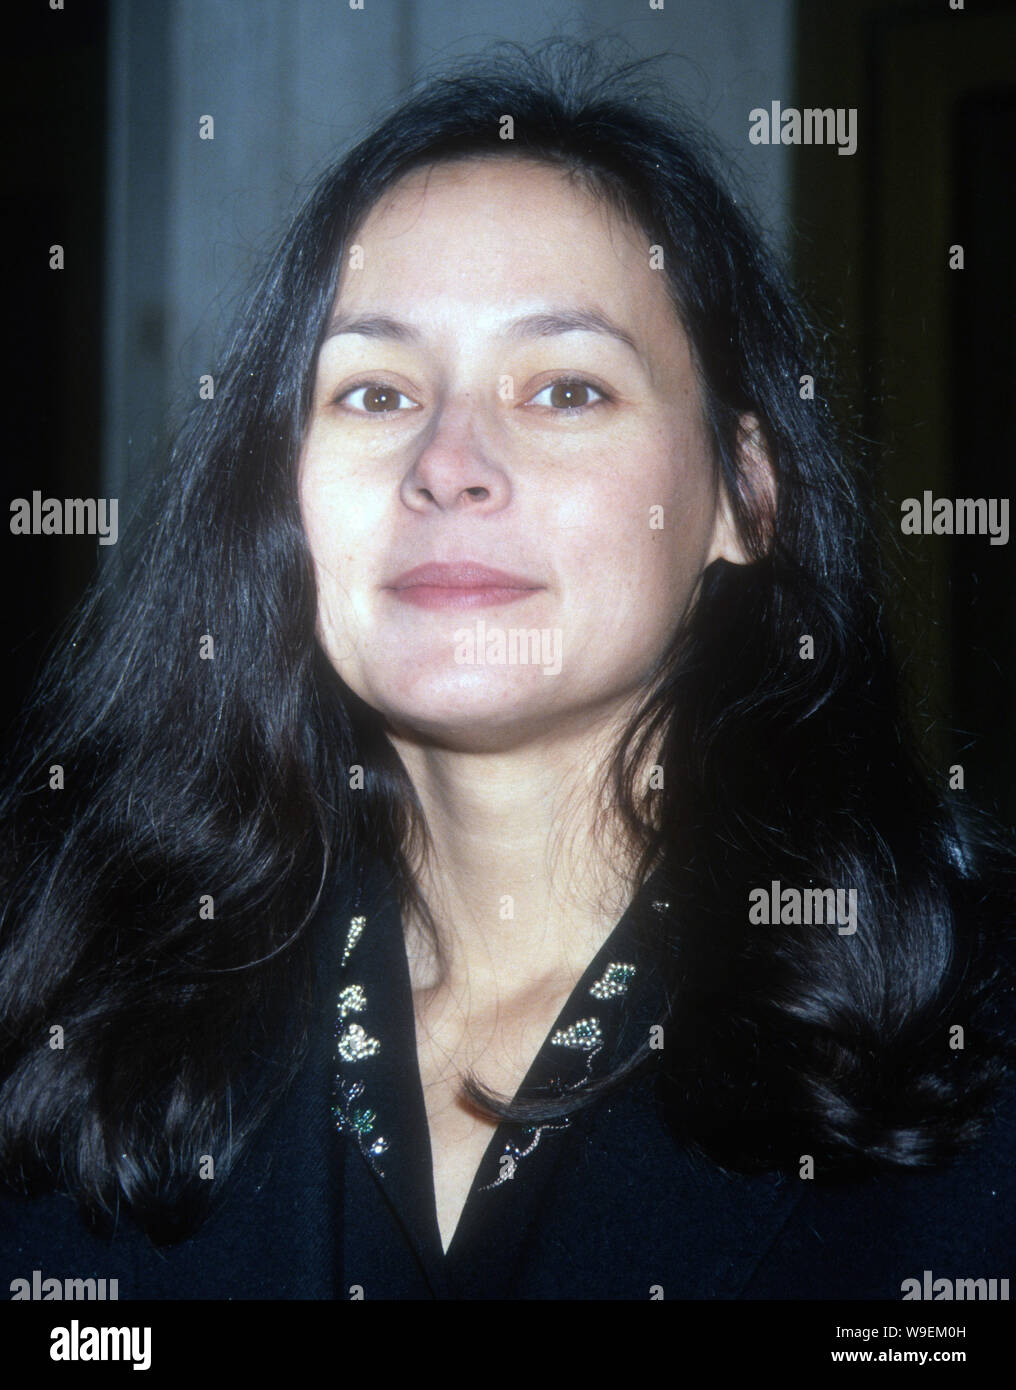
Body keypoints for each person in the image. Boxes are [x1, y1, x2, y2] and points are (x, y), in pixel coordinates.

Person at [1, 39, 1013, 1301]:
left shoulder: (969, 1018)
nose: (449, 460)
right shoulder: (86, 1015)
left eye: (565, 388)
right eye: (372, 394)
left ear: (743, 496)